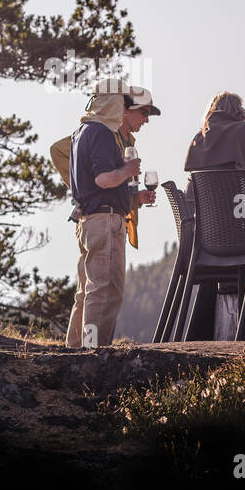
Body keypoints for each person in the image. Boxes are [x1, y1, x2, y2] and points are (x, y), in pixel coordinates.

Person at [65, 82, 159, 348]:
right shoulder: (103, 133)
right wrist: (128, 169)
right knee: (106, 291)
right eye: (122, 102)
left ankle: (75, 348)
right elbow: (104, 179)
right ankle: (93, 351)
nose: (124, 107)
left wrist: (132, 198)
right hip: (105, 221)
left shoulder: (80, 132)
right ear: (112, 102)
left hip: (87, 220)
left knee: (86, 291)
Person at [181, 91, 245, 339]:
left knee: (219, 253)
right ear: (239, 112)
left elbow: (189, 197)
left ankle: (199, 334)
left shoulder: (198, 139)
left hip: (201, 243)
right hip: (241, 240)